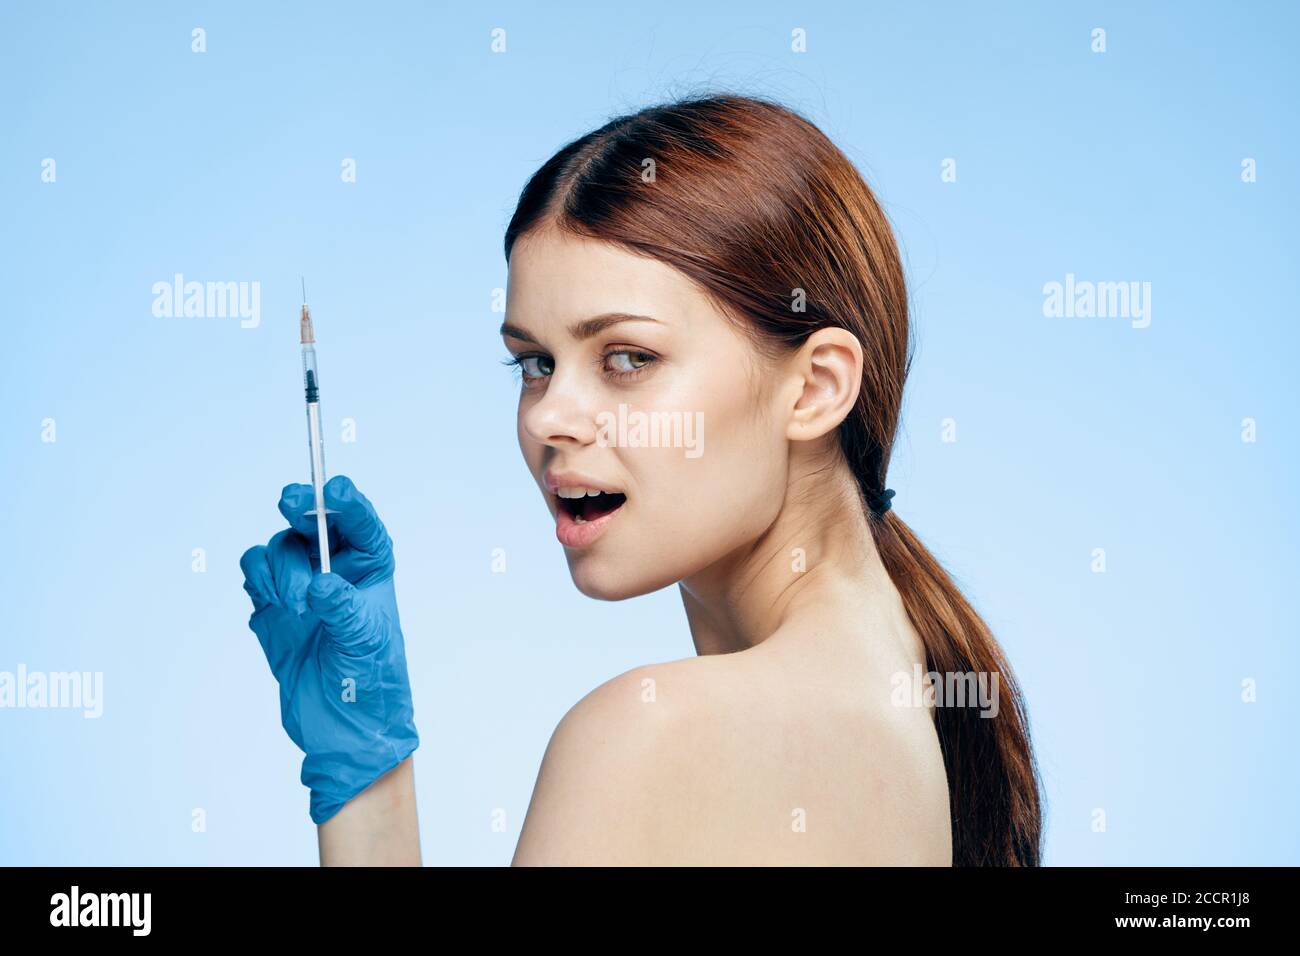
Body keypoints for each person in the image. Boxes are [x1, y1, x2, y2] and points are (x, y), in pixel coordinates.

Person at [240, 93, 1043, 866]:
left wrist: (367, 771)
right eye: (534, 363)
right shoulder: (914, 689)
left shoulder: (649, 736)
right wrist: (368, 772)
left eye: (628, 357)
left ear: (817, 386)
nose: (551, 416)